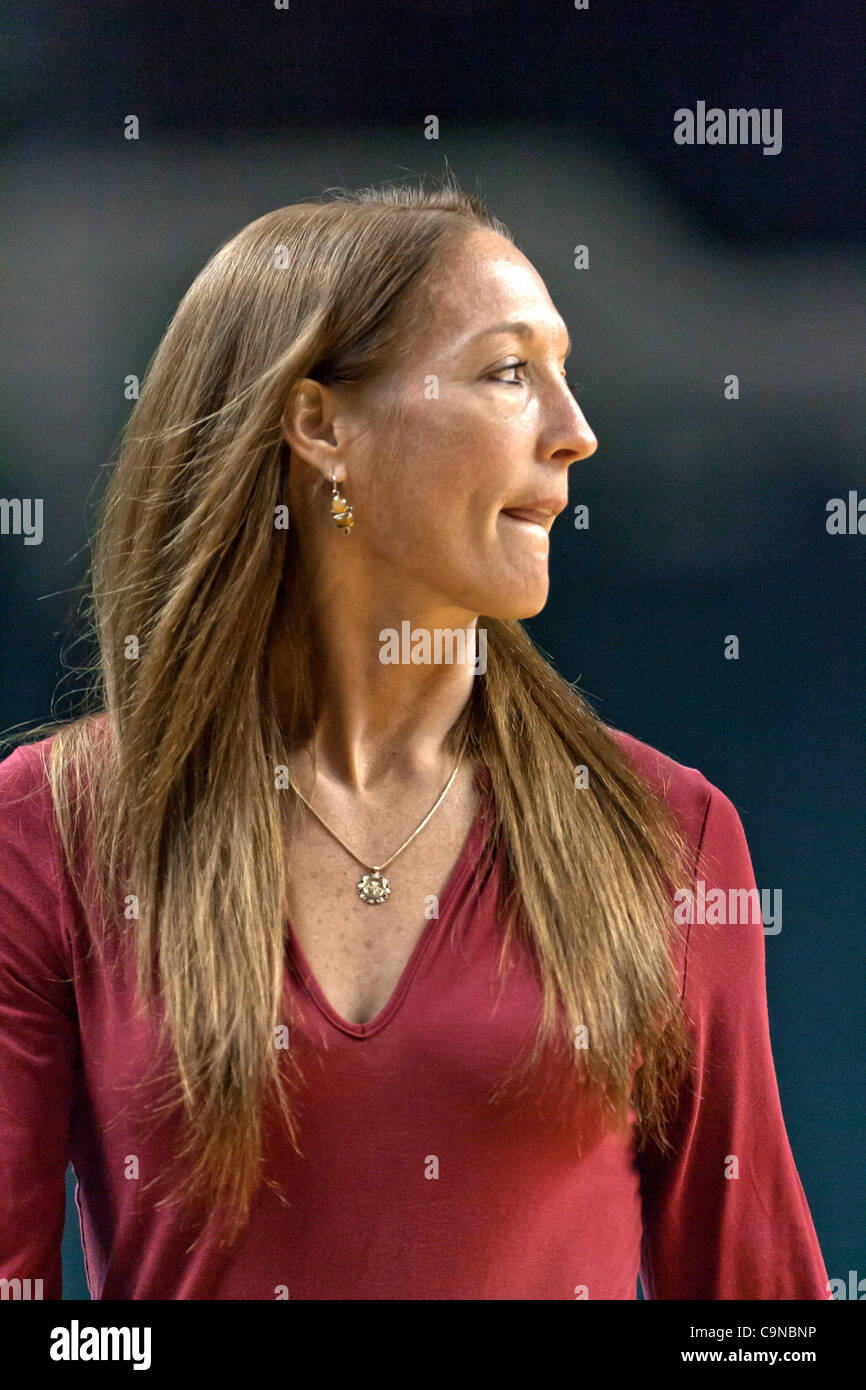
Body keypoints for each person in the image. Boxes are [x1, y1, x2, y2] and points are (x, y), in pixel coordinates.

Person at [0, 179, 829, 1299]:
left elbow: (753, 1313)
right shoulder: (49, 826)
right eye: (506, 373)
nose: (575, 432)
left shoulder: (665, 835)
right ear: (320, 425)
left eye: (564, 373)